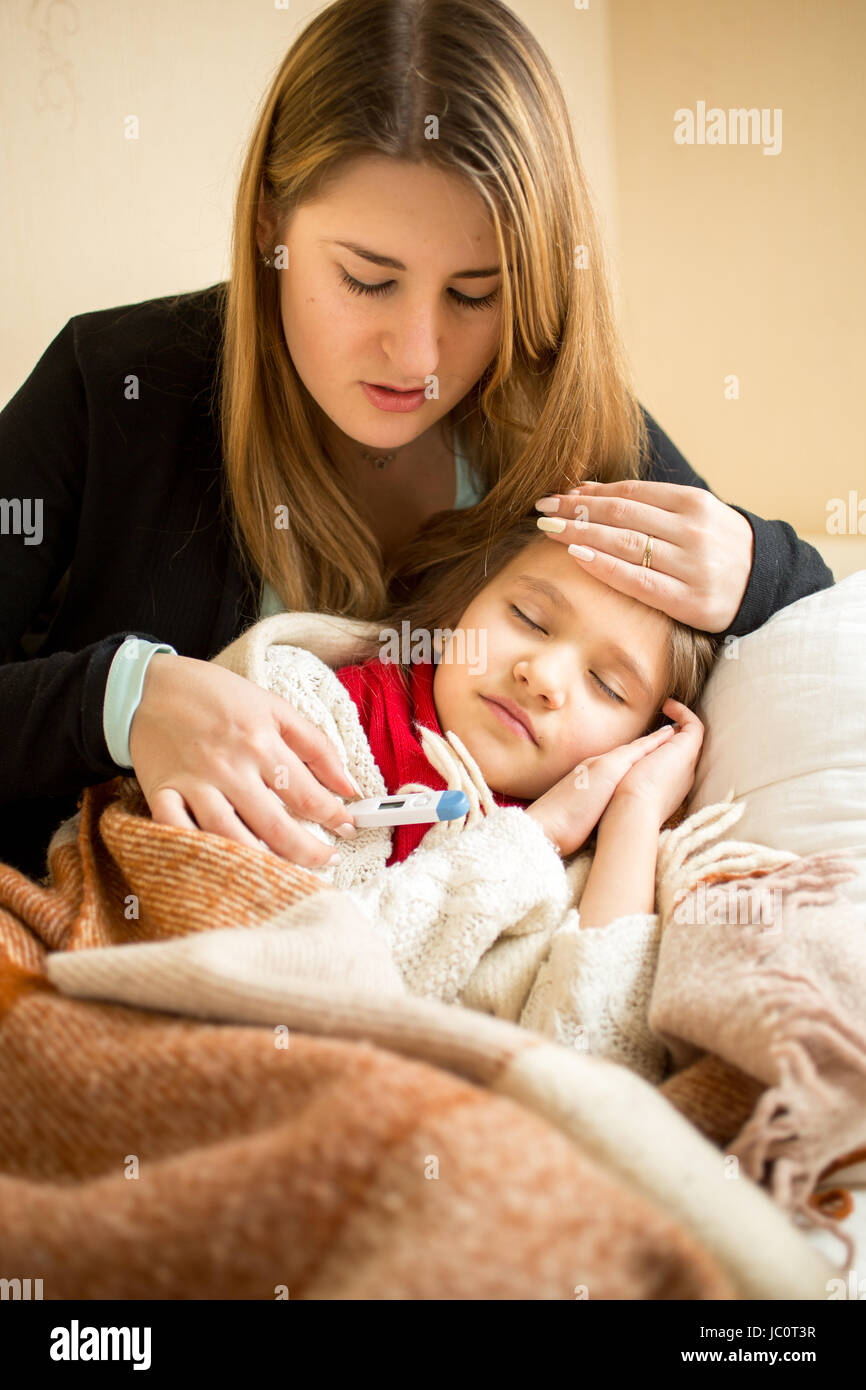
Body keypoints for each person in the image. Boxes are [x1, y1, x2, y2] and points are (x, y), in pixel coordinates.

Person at [0, 0, 833, 885]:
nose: (420, 357)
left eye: (475, 294)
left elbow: (814, 623)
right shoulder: (117, 382)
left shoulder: (561, 420)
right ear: (269, 224)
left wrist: (756, 565)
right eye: (367, 279)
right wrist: (117, 702)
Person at [198, 512, 718, 1080]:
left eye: (607, 686)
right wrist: (536, 835)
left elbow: (593, 1079)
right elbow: (288, 987)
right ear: (457, 610)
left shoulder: (586, 878)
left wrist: (634, 815)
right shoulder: (304, 710)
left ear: (639, 744)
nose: (542, 674)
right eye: (528, 618)